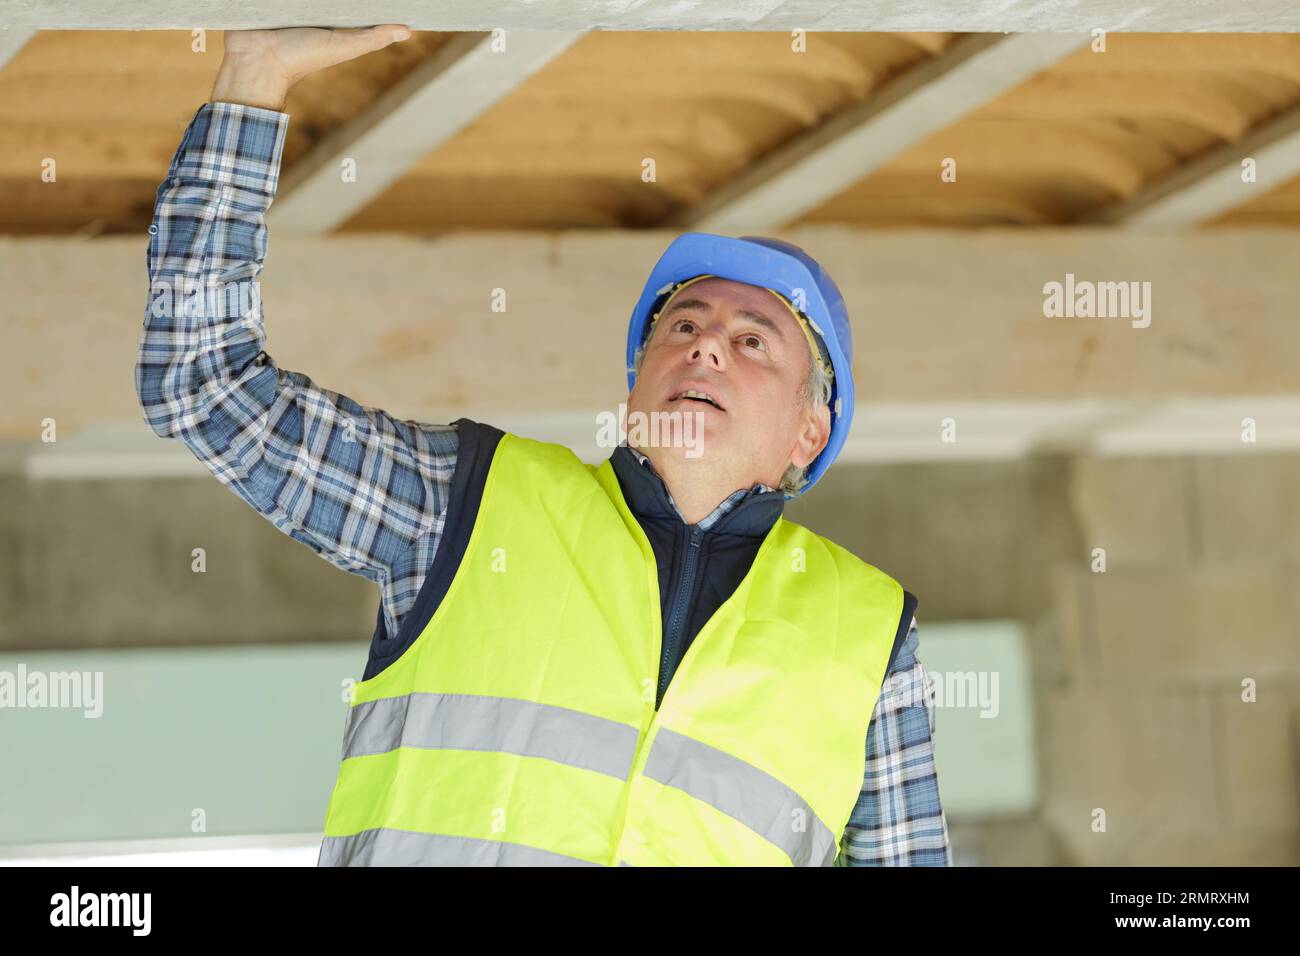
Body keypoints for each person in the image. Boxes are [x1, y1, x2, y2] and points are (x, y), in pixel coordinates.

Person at [136, 24, 952, 866]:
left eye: (753, 342)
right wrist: (253, 83)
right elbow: (207, 387)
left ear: (808, 432)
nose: (705, 346)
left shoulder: (870, 638)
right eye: (683, 324)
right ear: (635, 385)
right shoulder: (463, 504)